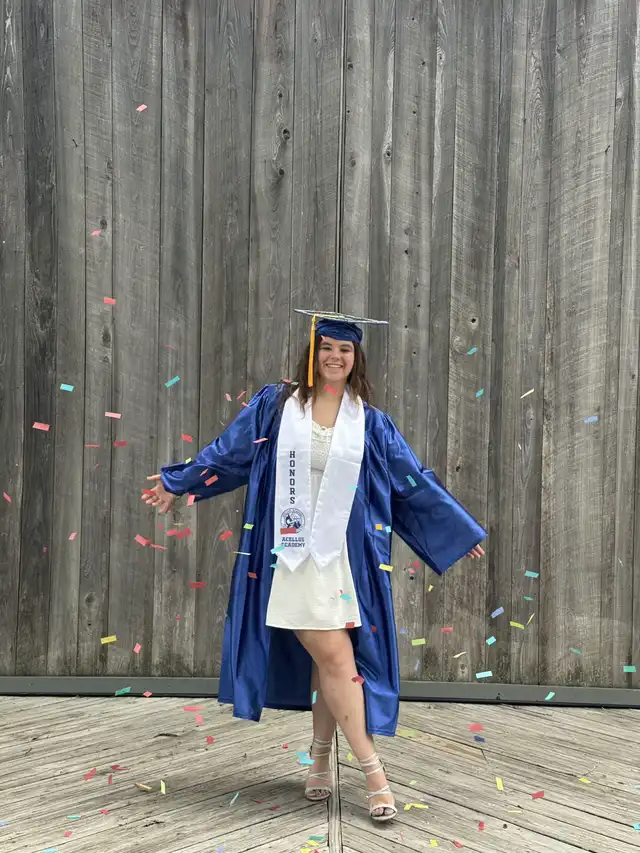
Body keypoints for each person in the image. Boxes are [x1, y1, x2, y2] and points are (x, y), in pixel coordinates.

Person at [141, 310, 487, 823]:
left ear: (356, 358)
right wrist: (178, 483)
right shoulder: (276, 406)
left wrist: (457, 530)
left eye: (344, 350)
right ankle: (374, 774)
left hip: (344, 560)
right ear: (313, 352)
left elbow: (410, 481)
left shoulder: (370, 423)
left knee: (331, 662)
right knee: (339, 661)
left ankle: (321, 760)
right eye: (326, 347)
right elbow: (228, 453)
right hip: (290, 556)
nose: (334, 357)